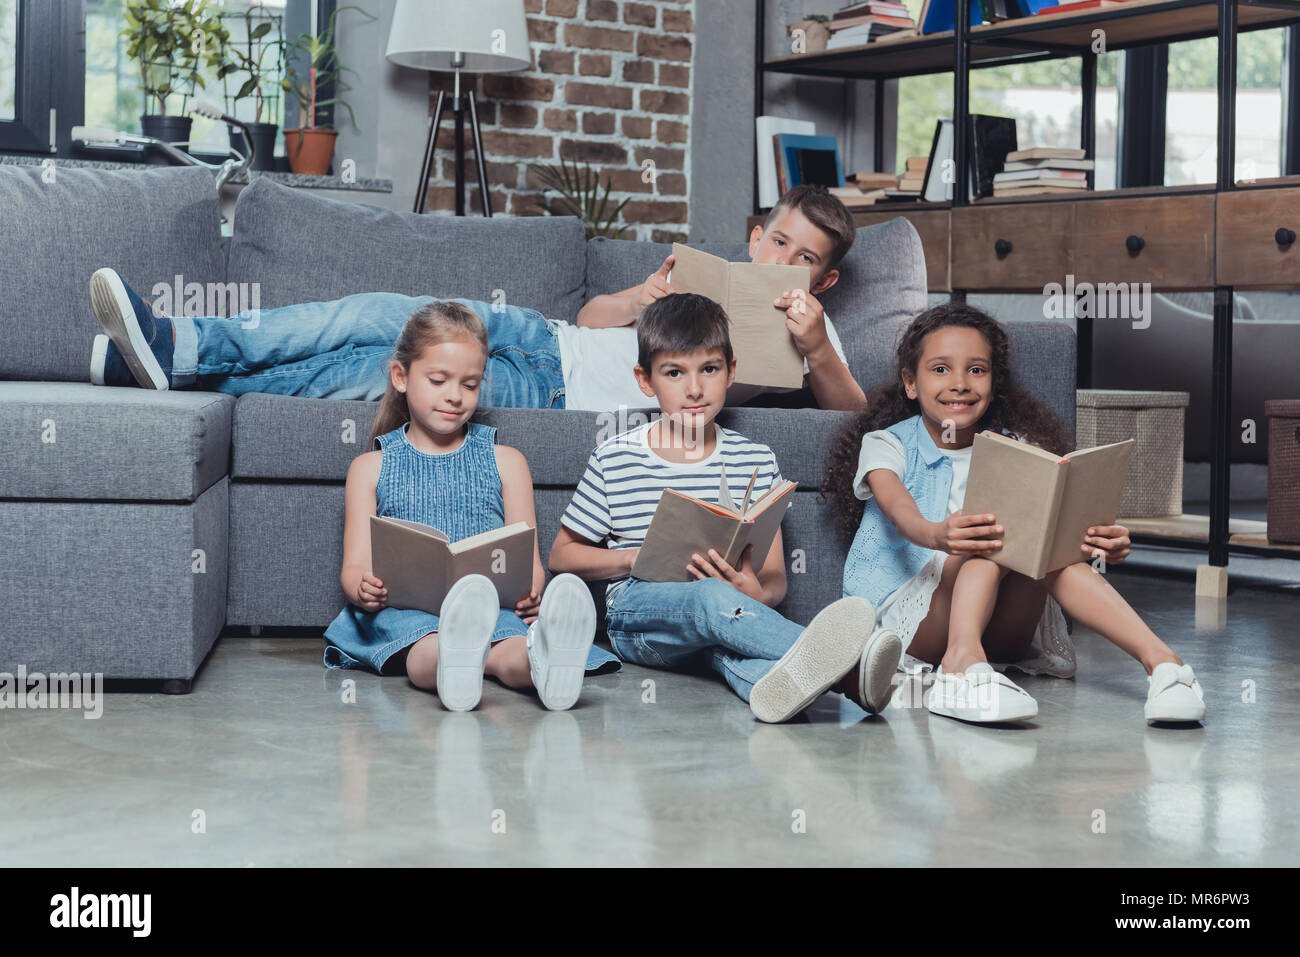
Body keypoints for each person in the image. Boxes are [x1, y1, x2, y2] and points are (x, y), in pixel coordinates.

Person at [85, 185, 867, 412]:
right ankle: (182, 342)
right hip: (542, 334)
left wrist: (815, 339)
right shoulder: (704, 275)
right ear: (758, 230)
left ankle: (150, 372)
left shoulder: (796, 340)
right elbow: (592, 320)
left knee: (365, 371)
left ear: (821, 278)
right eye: (778, 240)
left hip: (548, 390)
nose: (781, 259)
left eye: (804, 259)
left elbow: (853, 411)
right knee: (372, 312)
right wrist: (643, 295)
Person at [820, 302, 1206, 725]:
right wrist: (937, 535)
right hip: (916, 625)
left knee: (1046, 547)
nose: (961, 384)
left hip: (1003, 627)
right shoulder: (887, 444)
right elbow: (898, 509)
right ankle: (959, 665)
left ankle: (1165, 666)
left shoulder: (1018, 446)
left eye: (977, 370)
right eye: (941, 369)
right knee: (993, 538)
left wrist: (1098, 543)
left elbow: (1055, 536)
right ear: (911, 383)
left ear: (993, 381)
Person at [547, 293, 901, 723]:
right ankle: (853, 666)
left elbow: (773, 582)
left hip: (724, 616)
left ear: (731, 370)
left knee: (719, 641)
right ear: (645, 380)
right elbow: (562, 556)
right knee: (710, 600)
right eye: (674, 373)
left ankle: (771, 690)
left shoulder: (755, 459)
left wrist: (756, 592)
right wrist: (630, 558)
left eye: (709, 369)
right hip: (637, 618)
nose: (694, 389)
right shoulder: (615, 456)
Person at [322, 299, 619, 711]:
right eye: (439, 380)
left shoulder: (507, 461)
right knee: (425, 646)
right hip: (407, 612)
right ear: (401, 377)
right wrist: (362, 588)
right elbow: (355, 566)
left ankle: (545, 663)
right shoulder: (370, 467)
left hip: (490, 610)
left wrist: (533, 592)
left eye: (470, 384)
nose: (455, 397)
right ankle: (457, 665)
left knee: (510, 644)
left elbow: (527, 561)